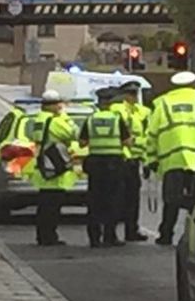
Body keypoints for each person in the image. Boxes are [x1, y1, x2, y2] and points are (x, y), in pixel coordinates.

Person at [145, 71, 195, 245]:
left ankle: (166, 235)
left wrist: (151, 160)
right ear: (192, 85)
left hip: (172, 161)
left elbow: (152, 134)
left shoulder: (163, 104)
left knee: (171, 202)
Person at [80, 87, 132, 248]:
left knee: (94, 201)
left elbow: (82, 142)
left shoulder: (90, 119)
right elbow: (127, 142)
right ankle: (110, 236)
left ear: (98, 103)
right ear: (109, 103)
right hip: (114, 164)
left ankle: (94, 238)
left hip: (95, 164)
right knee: (113, 201)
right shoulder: (117, 119)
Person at [31, 90, 78, 246]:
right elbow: (73, 133)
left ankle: (43, 235)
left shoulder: (39, 119)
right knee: (52, 207)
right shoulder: (55, 121)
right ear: (52, 106)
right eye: (58, 104)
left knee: (44, 206)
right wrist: (65, 116)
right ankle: (49, 237)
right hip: (54, 168)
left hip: (43, 166)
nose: (60, 106)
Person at [111, 81, 152, 242]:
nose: (134, 97)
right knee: (118, 198)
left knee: (132, 199)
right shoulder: (117, 110)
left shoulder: (141, 112)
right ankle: (111, 232)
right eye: (131, 93)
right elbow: (122, 137)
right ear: (124, 95)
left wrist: (146, 160)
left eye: (135, 93)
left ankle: (131, 230)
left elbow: (146, 136)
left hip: (134, 161)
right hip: (121, 159)